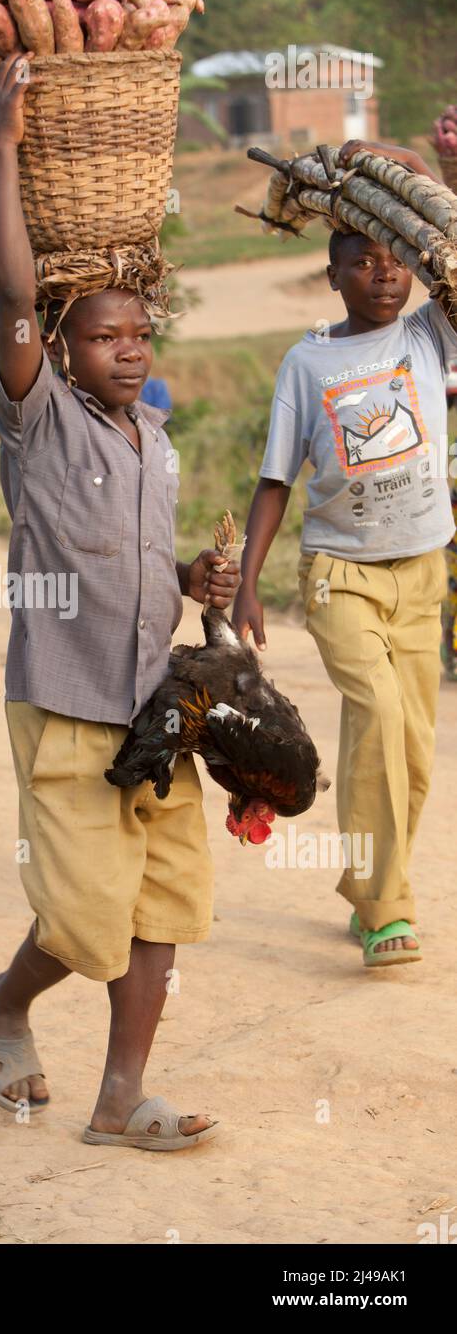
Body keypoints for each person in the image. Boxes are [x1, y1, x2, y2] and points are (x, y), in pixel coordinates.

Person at [0, 54, 240, 1150]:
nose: (130, 350)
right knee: (80, 921)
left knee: (162, 908)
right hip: (68, 707)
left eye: (140, 335)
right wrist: (3, 143)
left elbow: (140, 565)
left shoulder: (153, 442)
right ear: (62, 350)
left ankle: (119, 1101)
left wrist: (191, 583)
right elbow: (14, 292)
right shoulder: (38, 418)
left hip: (152, 712)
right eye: (106, 337)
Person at [233, 139, 457, 969]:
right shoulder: (308, 361)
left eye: (395, 259)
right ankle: (391, 912)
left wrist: (414, 170)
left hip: (422, 571)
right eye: (361, 261)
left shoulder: (432, 336)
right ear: (331, 277)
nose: (384, 273)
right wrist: (248, 585)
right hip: (341, 576)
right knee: (379, 718)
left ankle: (368, 886)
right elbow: (273, 481)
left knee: (415, 752)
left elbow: (452, 248)